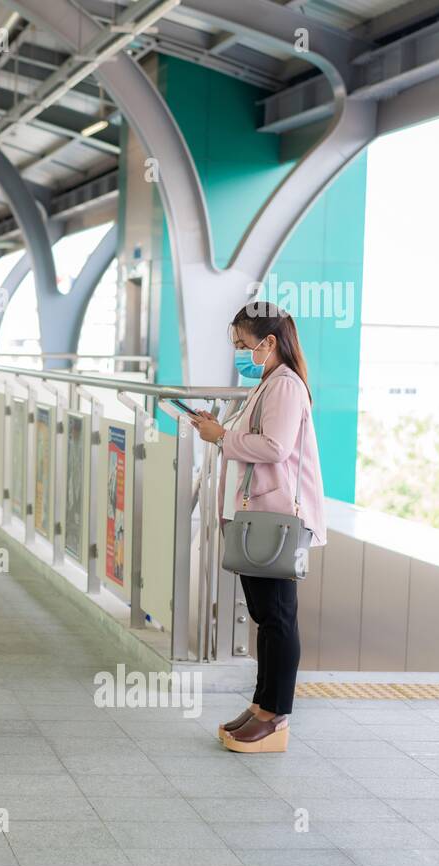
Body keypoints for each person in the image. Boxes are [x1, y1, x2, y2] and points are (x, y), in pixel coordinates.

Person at [190, 302, 325, 754]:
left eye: (243, 345)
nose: (239, 353)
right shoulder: (269, 384)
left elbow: (274, 447)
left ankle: (275, 715)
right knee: (266, 617)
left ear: (269, 342)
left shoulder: (284, 386)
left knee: (278, 617)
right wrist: (218, 429)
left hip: (275, 518)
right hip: (259, 517)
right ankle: (262, 705)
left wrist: (221, 439)